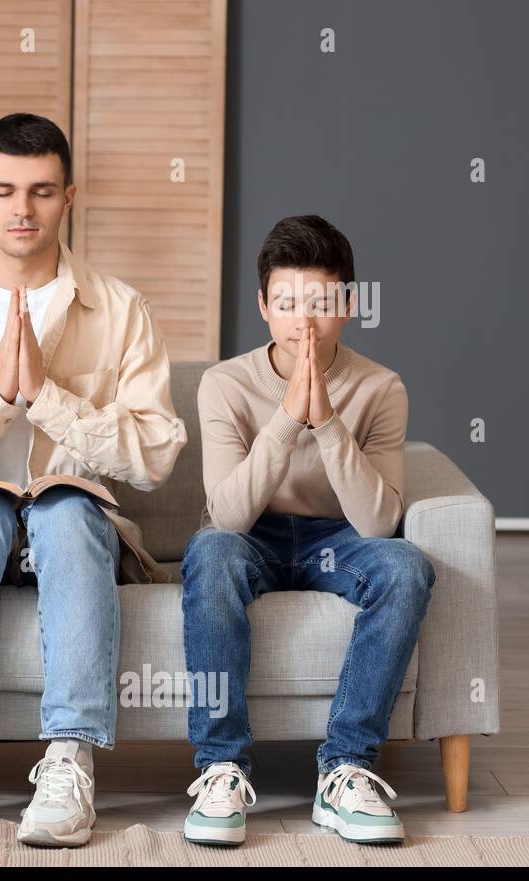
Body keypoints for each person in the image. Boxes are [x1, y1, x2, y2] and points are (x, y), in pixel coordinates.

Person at [0, 113, 187, 846]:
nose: (23, 209)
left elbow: (155, 455)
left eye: (43, 191)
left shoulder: (122, 311)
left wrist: (48, 397)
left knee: (66, 510)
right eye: (6, 190)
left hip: (71, 532)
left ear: (69, 196)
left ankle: (69, 760)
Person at [181, 214, 434, 846]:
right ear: (264, 306)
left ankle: (346, 767)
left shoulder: (381, 388)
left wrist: (327, 423)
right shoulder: (225, 385)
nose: (305, 323)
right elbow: (230, 514)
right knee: (211, 551)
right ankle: (221, 767)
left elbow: (379, 523)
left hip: (336, 541)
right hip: (253, 539)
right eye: (289, 304)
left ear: (348, 305)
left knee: (407, 567)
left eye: (321, 304)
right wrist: (287, 421)